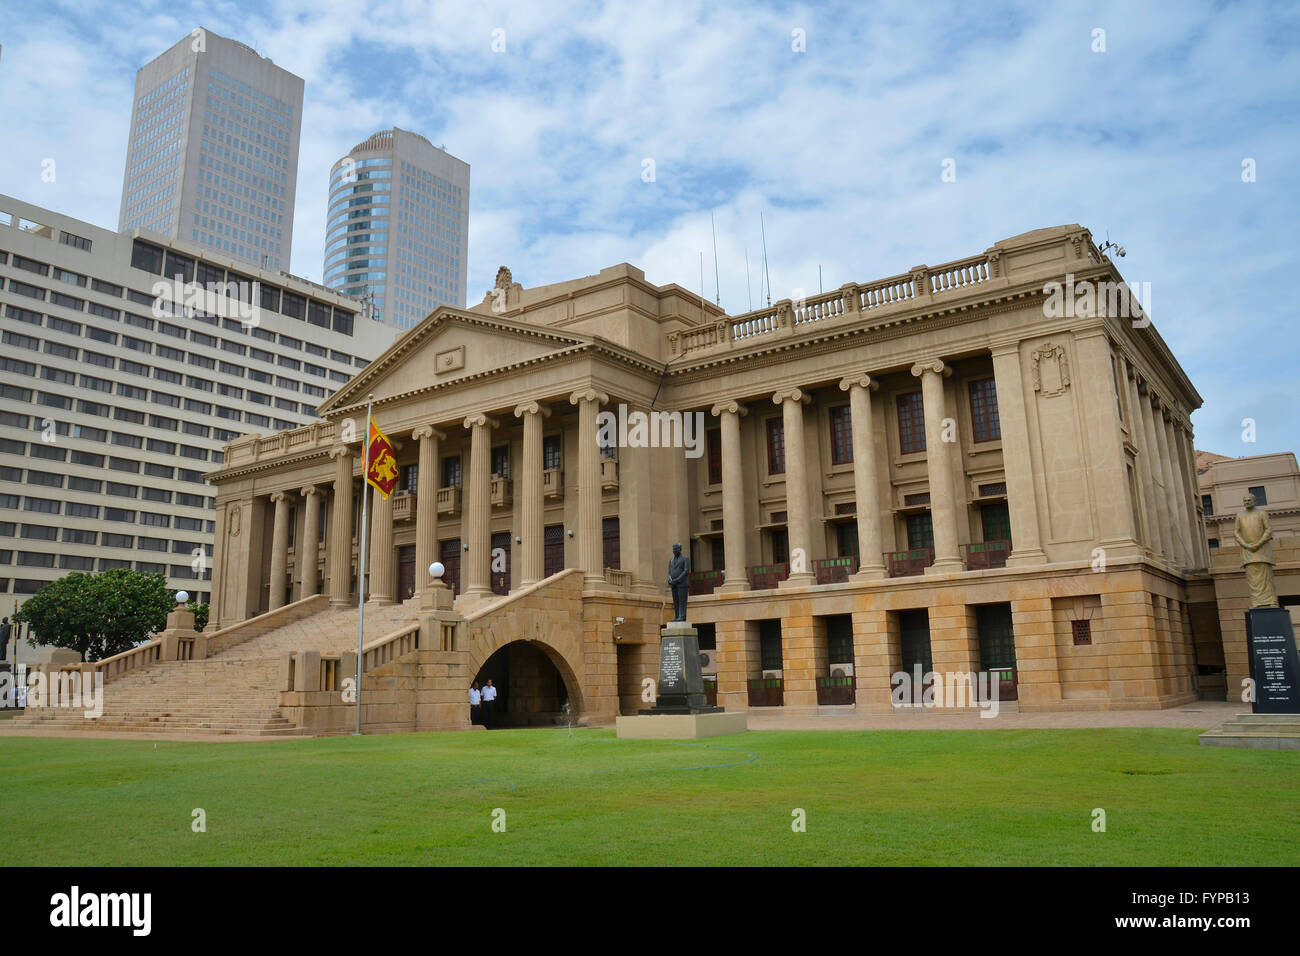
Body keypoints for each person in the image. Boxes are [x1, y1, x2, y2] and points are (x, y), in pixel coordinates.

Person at [667, 542, 691, 621]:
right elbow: (669, 572)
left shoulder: (685, 558)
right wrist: (670, 579)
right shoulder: (671, 560)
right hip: (673, 585)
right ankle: (677, 616)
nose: (674, 550)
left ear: (680, 549)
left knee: (682, 601)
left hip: (682, 584)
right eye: (673, 549)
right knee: (675, 601)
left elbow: (686, 571)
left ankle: (682, 616)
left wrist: (677, 580)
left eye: (676, 549)